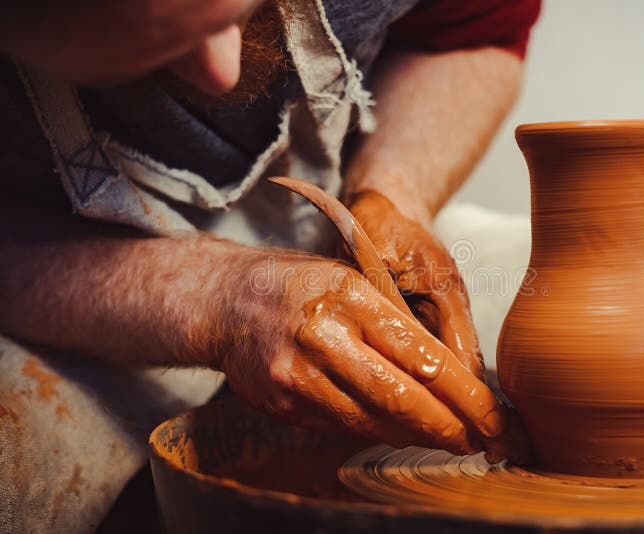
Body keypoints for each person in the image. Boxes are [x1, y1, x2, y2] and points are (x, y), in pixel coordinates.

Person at [0, 0, 541, 530]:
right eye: (148, 46)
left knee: (531, 293)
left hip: (342, 184)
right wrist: (214, 297)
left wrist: (396, 190)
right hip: (45, 260)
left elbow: (475, 33)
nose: (222, 72)